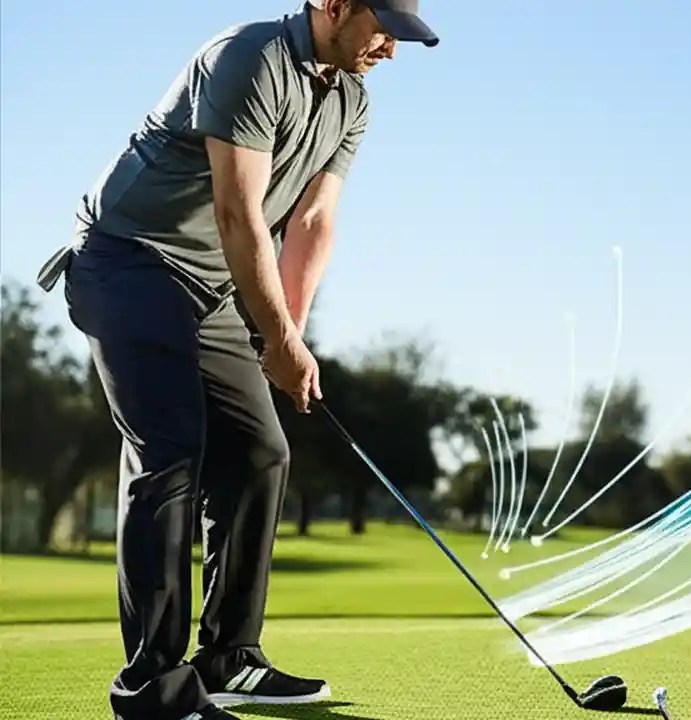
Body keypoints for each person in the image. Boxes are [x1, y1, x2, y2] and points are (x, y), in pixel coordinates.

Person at [34, 2, 439, 718]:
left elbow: (313, 223)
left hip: (211, 286)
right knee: (170, 451)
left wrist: (286, 340)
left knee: (260, 450)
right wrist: (276, 341)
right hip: (128, 259)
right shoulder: (247, 58)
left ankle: (228, 658)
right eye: (382, 28)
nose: (391, 50)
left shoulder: (351, 99)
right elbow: (239, 213)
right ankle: (153, 691)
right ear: (333, 6)